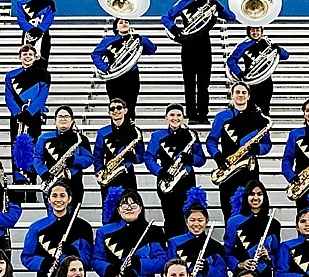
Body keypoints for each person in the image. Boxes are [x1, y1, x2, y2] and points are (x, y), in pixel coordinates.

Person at [163, 0, 232, 124]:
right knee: (189, 84)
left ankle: (203, 116)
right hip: (188, 45)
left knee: (204, 84)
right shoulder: (183, 3)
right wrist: (174, 28)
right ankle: (192, 116)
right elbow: (165, 18)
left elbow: (231, 17)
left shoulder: (211, 3)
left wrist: (220, 7)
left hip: (204, 46)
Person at [150, 203, 231, 277]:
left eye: (200, 220)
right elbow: (168, 270)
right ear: (186, 221)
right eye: (192, 220)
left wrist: (207, 269)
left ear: (207, 221)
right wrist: (185, 276)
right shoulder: (175, 242)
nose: (196, 224)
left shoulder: (215, 246)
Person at [206, 81, 272, 218]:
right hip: (228, 167)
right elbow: (211, 141)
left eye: (244, 92)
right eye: (237, 92)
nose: (240, 95)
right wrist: (218, 156)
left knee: (251, 209)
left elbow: (267, 145)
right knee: (228, 208)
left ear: (249, 96)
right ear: (231, 96)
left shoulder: (259, 118)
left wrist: (258, 148)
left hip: (249, 168)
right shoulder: (222, 117)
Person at [144, 103, 207, 235]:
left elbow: (202, 159)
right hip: (167, 181)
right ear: (166, 117)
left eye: (179, 115)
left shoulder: (191, 135)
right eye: (172, 115)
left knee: (188, 215)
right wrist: (160, 171)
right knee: (170, 218)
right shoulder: (158, 136)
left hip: (187, 181)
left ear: (183, 117)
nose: (175, 118)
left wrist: (191, 159)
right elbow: (149, 157)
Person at [3, 43, 50, 184]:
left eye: (30, 54)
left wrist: (30, 112)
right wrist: (18, 113)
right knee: (17, 147)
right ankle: (18, 181)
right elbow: (8, 96)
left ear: (35, 57)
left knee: (33, 148)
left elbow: (43, 94)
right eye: (25, 54)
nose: (27, 57)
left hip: (33, 117)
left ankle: (31, 184)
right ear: (20, 57)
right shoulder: (11, 76)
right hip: (17, 118)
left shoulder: (43, 74)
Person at [91, 16, 155, 118]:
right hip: (114, 77)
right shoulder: (108, 41)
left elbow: (152, 49)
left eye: (126, 22)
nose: (124, 24)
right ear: (116, 27)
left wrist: (141, 39)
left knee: (130, 106)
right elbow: (95, 54)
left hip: (131, 76)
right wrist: (105, 67)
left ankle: (130, 129)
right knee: (115, 106)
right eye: (121, 22)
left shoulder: (136, 39)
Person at [91, 97, 143, 219]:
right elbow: (97, 156)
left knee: (130, 207)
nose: (116, 111)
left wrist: (134, 158)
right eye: (112, 109)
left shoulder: (135, 132)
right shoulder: (102, 132)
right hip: (109, 176)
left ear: (125, 110)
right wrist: (100, 171)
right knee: (109, 211)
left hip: (127, 175)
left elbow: (142, 156)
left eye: (119, 108)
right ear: (109, 112)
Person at [225, 181, 281, 277]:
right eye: (251, 194)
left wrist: (267, 257)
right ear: (246, 196)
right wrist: (239, 264)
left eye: (259, 194)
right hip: (241, 276)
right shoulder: (234, 222)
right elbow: (227, 252)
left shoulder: (274, 224)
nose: (255, 197)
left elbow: (277, 254)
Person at [227, 25, 291, 117]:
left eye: (258, 30)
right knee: (249, 109)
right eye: (252, 30)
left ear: (262, 31)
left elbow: (286, 56)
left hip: (266, 82)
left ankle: (265, 130)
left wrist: (278, 49)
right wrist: (239, 73)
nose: (255, 32)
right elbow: (231, 60)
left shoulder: (268, 43)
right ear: (248, 32)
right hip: (251, 82)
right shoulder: (243, 45)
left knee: (265, 109)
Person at [35, 105, 92, 209]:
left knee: (70, 219)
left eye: (66, 116)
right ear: (55, 120)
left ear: (72, 120)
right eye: (60, 116)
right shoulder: (44, 138)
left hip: (74, 184)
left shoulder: (81, 139)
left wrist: (75, 160)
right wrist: (43, 173)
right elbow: (37, 158)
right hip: (51, 181)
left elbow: (89, 159)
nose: (63, 119)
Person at [17, 0, 55, 64]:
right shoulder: (21, 3)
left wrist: (40, 29)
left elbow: (49, 18)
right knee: (27, 61)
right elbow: (20, 19)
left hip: (43, 35)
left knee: (42, 60)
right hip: (28, 35)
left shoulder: (49, 3)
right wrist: (31, 29)